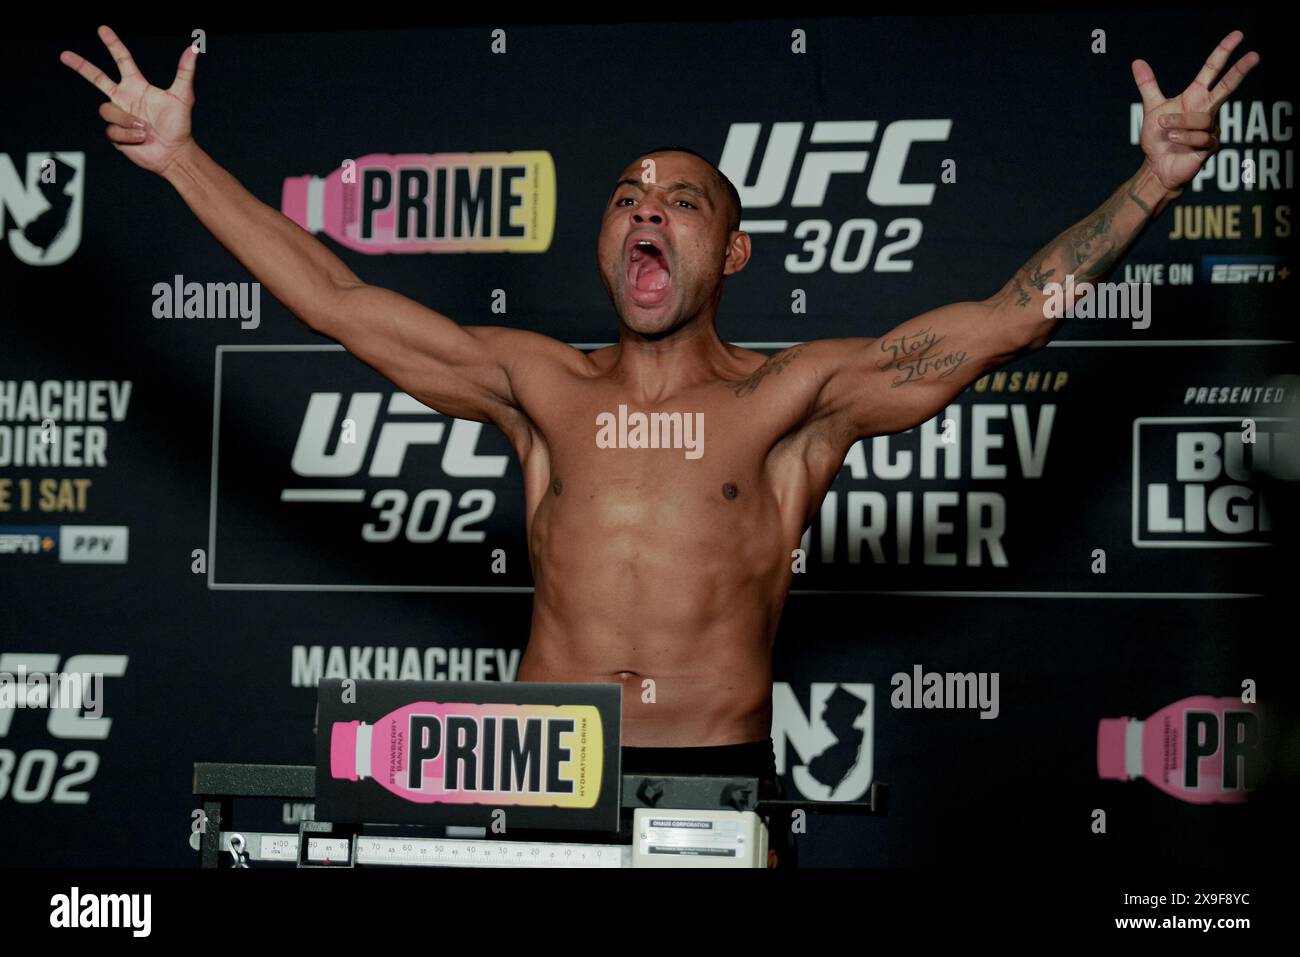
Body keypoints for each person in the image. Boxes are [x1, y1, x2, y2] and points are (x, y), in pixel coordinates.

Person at [63, 25, 1257, 867]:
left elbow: (1001, 323)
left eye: (682, 200)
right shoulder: (533, 384)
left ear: (730, 254)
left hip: (715, 794)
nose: (648, 207)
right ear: (605, 239)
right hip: (533, 785)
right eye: (630, 194)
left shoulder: (798, 396)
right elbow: (332, 296)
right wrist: (179, 159)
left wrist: (1152, 185)